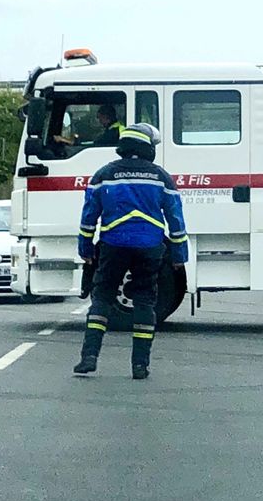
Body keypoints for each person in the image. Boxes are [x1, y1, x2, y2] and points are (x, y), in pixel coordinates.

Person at [73, 123, 188, 379]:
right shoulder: (161, 177)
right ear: (147, 148)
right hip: (150, 248)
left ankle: (89, 358)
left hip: (113, 246)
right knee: (145, 302)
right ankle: (140, 366)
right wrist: (179, 256)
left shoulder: (104, 175)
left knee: (102, 299)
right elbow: (176, 219)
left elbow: (88, 217)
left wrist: (85, 248)